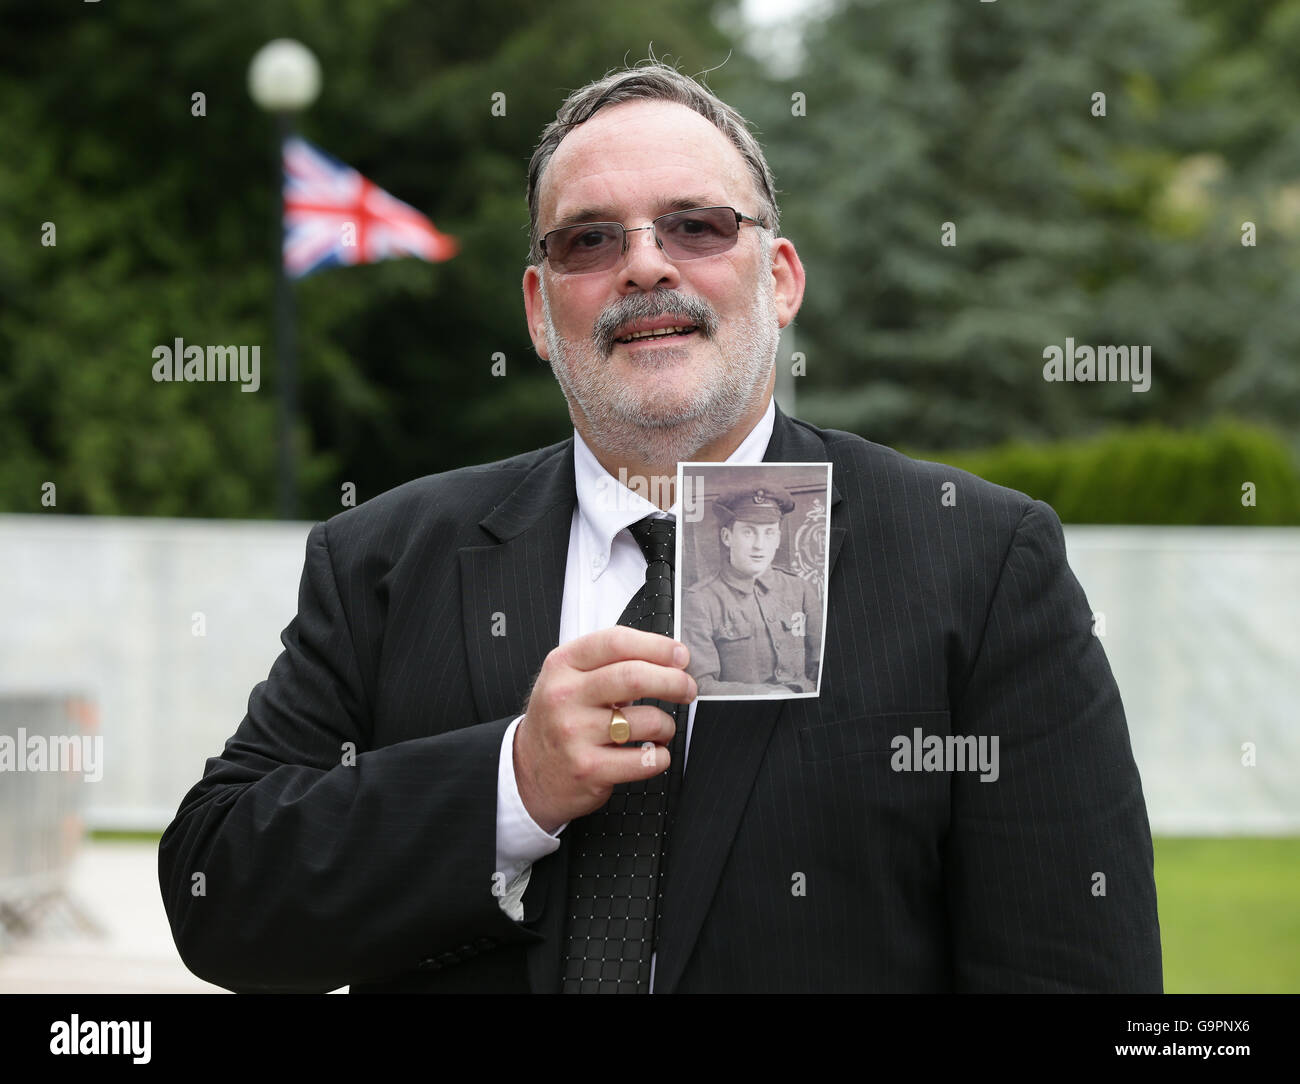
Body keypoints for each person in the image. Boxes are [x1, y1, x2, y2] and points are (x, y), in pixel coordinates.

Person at [158, 59, 1162, 993]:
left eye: (695, 226)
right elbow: (219, 890)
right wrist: (509, 786)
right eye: (589, 239)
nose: (644, 266)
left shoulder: (976, 566)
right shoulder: (384, 559)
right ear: (540, 311)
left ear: (779, 279)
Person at [682, 483, 823, 695]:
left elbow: (823, 666)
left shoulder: (800, 589)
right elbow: (700, 686)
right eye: (748, 532)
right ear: (727, 537)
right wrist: (766, 694)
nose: (759, 545)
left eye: (769, 533)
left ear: (777, 538)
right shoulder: (701, 600)